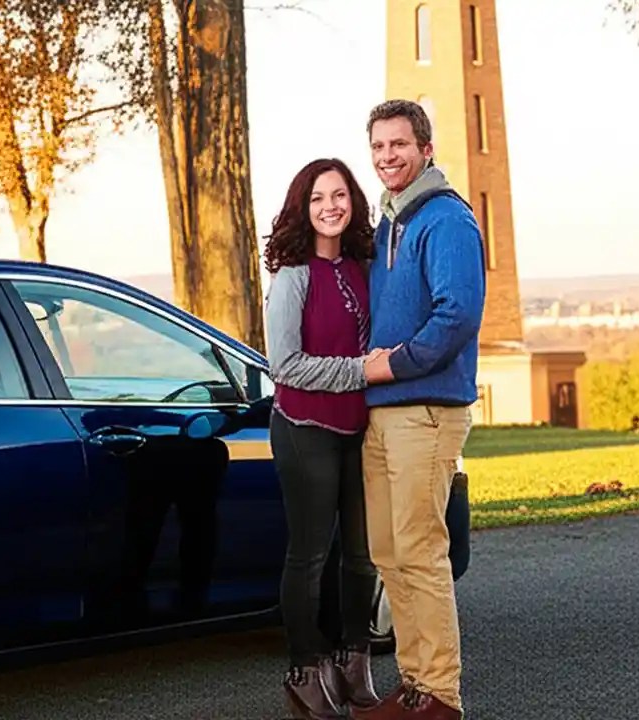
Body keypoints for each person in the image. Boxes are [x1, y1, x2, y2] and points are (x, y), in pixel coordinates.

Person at [357, 99, 486, 720]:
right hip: (382, 413)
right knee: (389, 552)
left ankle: (440, 696)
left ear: (425, 150)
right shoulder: (391, 223)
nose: (388, 157)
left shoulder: (445, 219)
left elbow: (457, 313)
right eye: (379, 147)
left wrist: (395, 363)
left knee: (420, 549)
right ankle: (412, 687)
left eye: (399, 145)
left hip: (425, 410)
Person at [263, 158, 388, 719]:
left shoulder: (364, 264)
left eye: (339, 195)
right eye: (317, 198)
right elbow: (285, 365)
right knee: (310, 556)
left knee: (361, 557)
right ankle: (305, 668)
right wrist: (361, 371)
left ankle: (354, 661)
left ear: (353, 202)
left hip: (360, 432)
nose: (330, 206)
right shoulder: (292, 275)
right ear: (302, 207)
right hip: (304, 430)